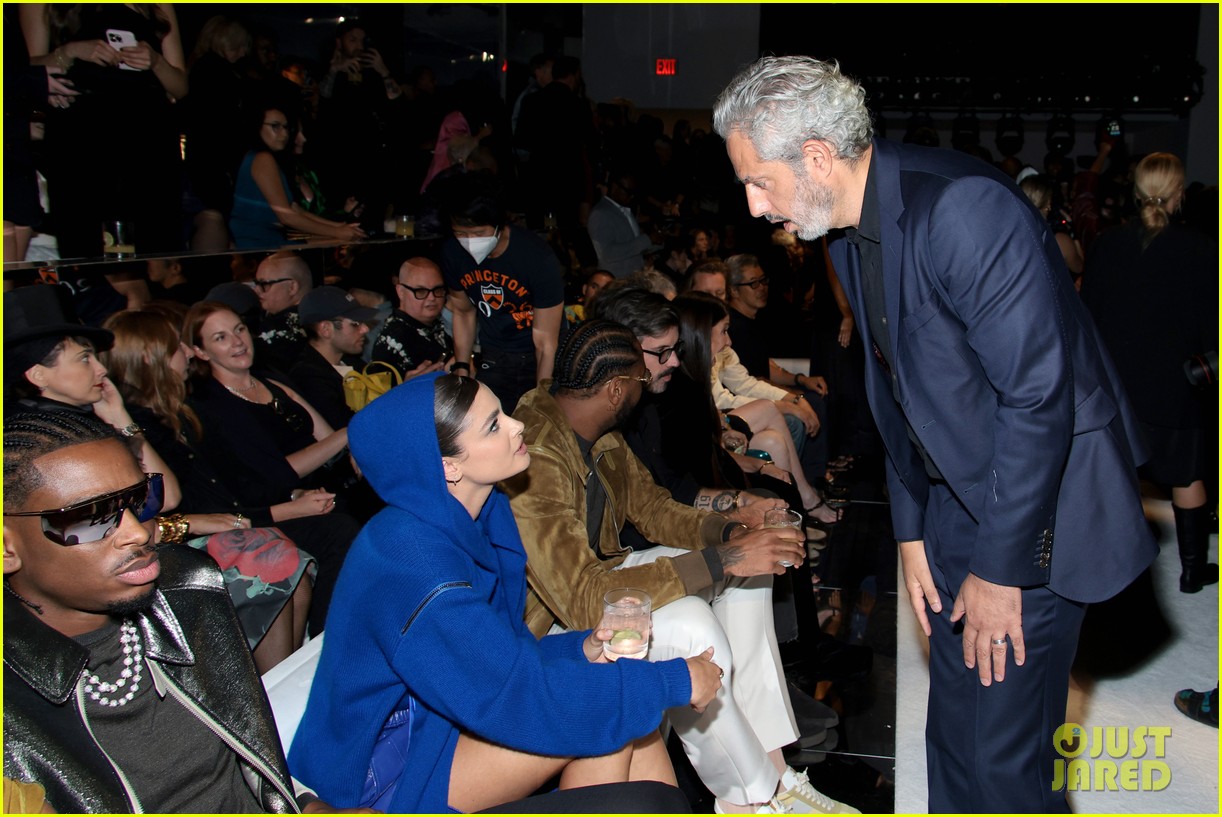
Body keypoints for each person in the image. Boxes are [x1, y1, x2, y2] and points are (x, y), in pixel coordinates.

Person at [714, 56, 1157, 811]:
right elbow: (899, 392)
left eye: (760, 181)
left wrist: (1000, 570)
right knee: (952, 744)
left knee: (1004, 767)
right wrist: (913, 530)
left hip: (1038, 513)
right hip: (957, 499)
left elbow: (1038, 398)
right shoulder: (846, 232)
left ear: (816, 158)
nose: (755, 207)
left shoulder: (961, 210)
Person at [289, 372, 719, 813]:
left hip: (444, 719)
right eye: (494, 425)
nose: (519, 426)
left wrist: (581, 649)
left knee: (624, 715)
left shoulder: (480, 512)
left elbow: (497, 660)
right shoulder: (416, 564)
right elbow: (513, 695)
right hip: (386, 769)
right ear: (448, 467)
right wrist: (676, 679)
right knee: (608, 720)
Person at [504, 320, 859, 814]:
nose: (646, 388)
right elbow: (582, 599)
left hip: (603, 580)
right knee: (691, 623)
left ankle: (774, 768)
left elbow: (652, 508)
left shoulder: (590, 426)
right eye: (638, 380)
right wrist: (724, 556)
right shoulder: (540, 456)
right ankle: (753, 799)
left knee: (747, 571)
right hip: (553, 627)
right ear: (613, 390)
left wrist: (731, 532)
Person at [1, 410, 360, 812]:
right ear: (7, 547)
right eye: (91, 518)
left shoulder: (187, 588)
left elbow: (251, 762)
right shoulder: (13, 705)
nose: (137, 532)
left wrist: (311, 807)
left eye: (138, 500)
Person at [102, 307, 359, 643]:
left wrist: (291, 499)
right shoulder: (165, 414)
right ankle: (329, 650)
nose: (186, 351)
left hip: (244, 511)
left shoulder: (179, 410)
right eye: (177, 345)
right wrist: (284, 508)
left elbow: (232, 489)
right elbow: (177, 501)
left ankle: (320, 653)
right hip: (194, 533)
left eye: (239, 329)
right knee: (324, 535)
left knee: (342, 517)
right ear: (151, 358)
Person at [1080, 152, 1218, 593]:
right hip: (1177, 385)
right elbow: (1210, 322)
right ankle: (1194, 571)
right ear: (1179, 195)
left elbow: (1090, 319)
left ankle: (1105, 569)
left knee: (1114, 477)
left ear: (1135, 193)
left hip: (1119, 386)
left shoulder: (1107, 244)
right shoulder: (1200, 248)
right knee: (1186, 474)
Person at [20, 3, 188, 258]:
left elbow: (181, 87)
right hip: (81, 134)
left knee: (157, 245)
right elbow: (26, 71)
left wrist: (155, 61)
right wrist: (70, 51)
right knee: (86, 245)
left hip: (148, 134)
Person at [3, 285, 182, 513]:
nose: (101, 369)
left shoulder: (81, 417)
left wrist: (119, 417)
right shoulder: (38, 439)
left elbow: (167, 496)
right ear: (38, 374)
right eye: (85, 359)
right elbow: (159, 501)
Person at [441, 174, 565, 413]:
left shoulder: (536, 257)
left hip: (537, 351)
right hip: (496, 353)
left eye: (478, 233)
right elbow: (463, 311)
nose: (469, 241)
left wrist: (542, 398)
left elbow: (545, 342)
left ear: (500, 225)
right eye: (461, 233)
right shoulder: (452, 253)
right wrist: (462, 365)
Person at [229, 104, 367, 250]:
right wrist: (337, 232)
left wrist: (339, 226)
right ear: (257, 126)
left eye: (286, 127)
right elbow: (287, 216)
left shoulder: (266, 159)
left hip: (272, 240)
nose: (284, 134)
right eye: (275, 126)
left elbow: (295, 209)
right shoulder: (262, 158)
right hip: (259, 244)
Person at [290, 286, 381, 431]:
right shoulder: (309, 379)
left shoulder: (352, 361)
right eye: (355, 324)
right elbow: (344, 430)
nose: (365, 329)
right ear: (326, 329)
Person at [370, 257, 454, 377]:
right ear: (401, 292)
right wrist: (408, 387)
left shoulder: (443, 323)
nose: (432, 298)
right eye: (420, 291)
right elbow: (381, 394)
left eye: (438, 290)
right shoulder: (391, 341)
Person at [254, 251, 313, 374]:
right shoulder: (326, 318)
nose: (257, 290)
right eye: (257, 284)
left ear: (292, 287)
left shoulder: (273, 330)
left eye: (264, 284)